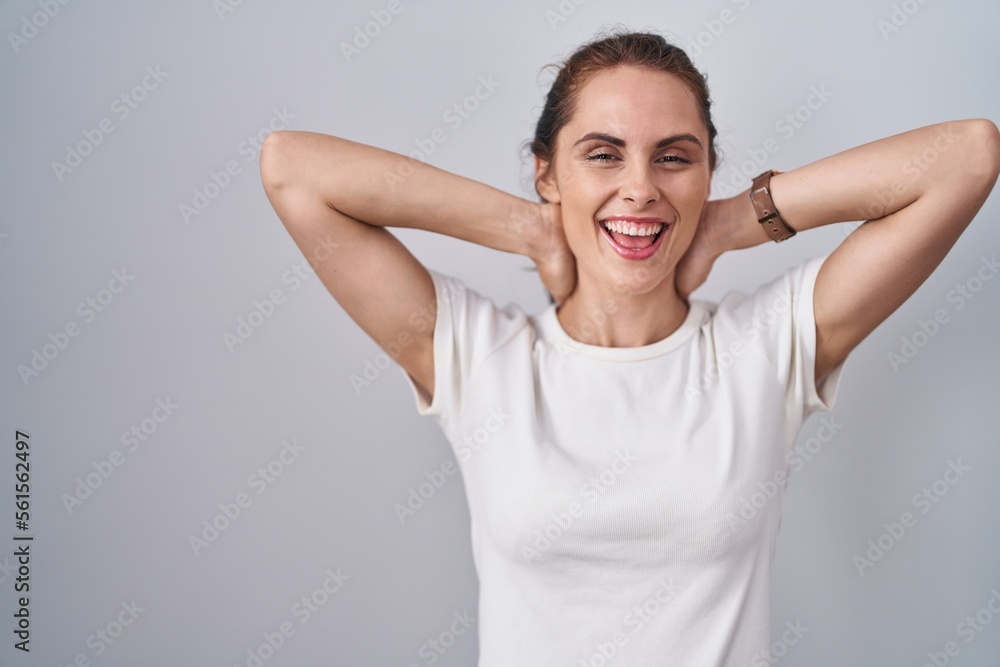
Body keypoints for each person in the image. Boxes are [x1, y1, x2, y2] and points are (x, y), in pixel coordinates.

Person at [259, 28, 999, 667]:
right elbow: (292, 168)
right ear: (547, 171)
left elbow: (967, 156)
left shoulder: (767, 347)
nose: (641, 188)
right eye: (603, 155)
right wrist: (528, 228)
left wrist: (732, 223)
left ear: (707, 173)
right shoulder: (478, 356)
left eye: (673, 157)